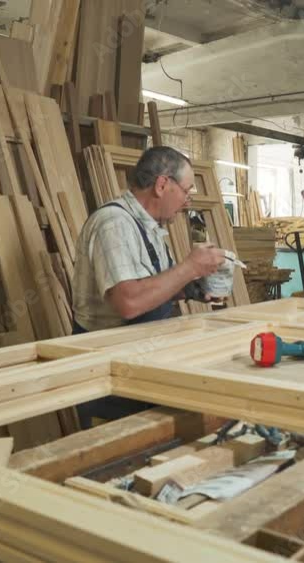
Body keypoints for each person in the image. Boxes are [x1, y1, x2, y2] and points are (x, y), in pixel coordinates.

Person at [71, 146, 226, 423]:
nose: (188, 201)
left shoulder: (150, 228)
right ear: (162, 184)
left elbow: (152, 288)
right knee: (122, 453)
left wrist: (190, 287)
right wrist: (189, 266)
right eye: (187, 191)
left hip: (142, 356)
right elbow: (129, 302)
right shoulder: (114, 224)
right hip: (110, 367)